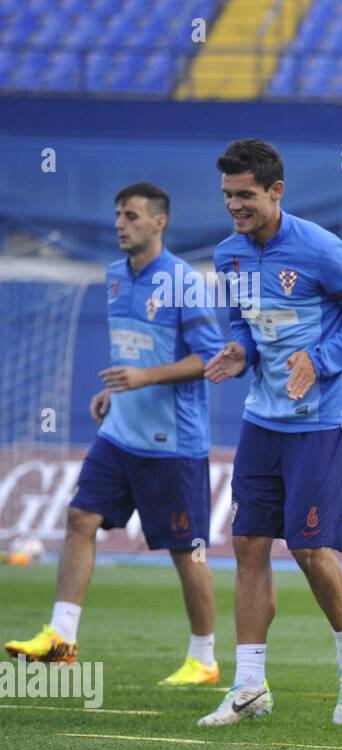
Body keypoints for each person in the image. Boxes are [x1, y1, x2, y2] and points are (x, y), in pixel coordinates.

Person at [200, 139, 342, 726]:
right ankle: (250, 685)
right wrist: (239, 350)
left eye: (246, 196)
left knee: (310, 547)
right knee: (248, 545)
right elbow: (244, 321)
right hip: (263, 418)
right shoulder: (228, 255)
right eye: (229, 197)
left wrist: (322, 357)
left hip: (323, 421)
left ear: (275, 191)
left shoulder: (319, 249)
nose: (236, 207)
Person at [6, 183, 225, 687]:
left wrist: (144, 379)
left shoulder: (184, 284)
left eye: (130, 215)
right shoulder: (113, 277)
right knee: (80, 517)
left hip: (173, 443)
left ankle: (204, 658)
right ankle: (61, 637)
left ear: (158, 222)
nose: (120, 224)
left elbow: (209, 359)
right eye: (117, 215)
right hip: (121, 433)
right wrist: (116, 388)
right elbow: (136, 348)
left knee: (185, 551)